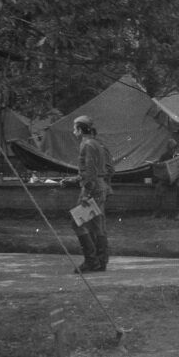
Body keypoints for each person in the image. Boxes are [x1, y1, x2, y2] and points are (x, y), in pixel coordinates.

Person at [64, 115, 112, 273]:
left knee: (76, 221)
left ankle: (91, 261)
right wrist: (75, 179)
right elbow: (104, 169)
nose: (73, 131)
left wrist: (86, 193)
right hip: (99, 186)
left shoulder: (87, 145)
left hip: (92, 189)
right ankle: (101, 260)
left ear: (80, 129)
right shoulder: (97, 144)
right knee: (97, 225)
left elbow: (90, 171)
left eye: (74, 128)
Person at [153, 138, 179, 219]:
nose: (172, 150)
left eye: (173, 148)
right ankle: (158, 212)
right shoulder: (164, 156)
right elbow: (160, 168)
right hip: (167, 179)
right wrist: (158, 165)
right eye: (170, 148)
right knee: (159, 188)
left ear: (176, 147)